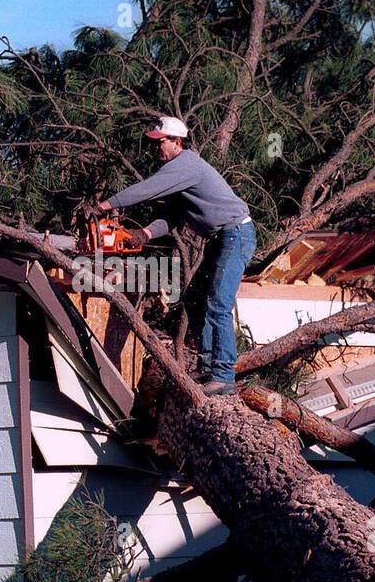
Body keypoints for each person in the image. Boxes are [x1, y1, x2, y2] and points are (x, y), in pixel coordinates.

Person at [95, 116, 256, 396]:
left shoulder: (186, 165)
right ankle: (209, 368)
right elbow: (169, 218)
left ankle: (223, 376)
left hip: (236, 234)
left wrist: (107, 204)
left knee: (218, 304)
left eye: (160, 142)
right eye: (153, 143)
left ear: (177, 142)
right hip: (222, 238)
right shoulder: (179, 174)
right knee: (194, 299)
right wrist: (143, 233)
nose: (155, 148)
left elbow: (146, 189)